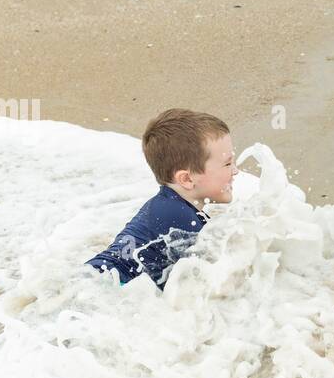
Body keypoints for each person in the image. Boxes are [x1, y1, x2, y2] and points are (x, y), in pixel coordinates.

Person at [86, 108, 236, 289]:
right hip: (107, 288)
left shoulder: (165, 205)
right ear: (187, 179)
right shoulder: (181, 219)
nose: (235, 171)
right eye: (227, 164)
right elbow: (214, 284)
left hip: (94, 279)